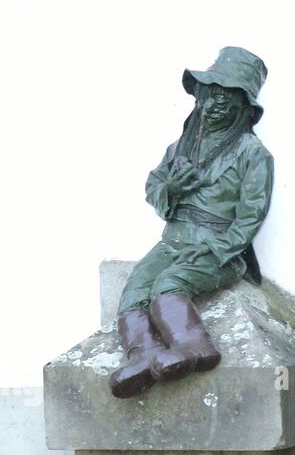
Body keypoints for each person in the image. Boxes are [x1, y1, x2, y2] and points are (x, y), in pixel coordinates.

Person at [110, 47, 274, 398]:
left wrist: (217, 251)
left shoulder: (252, 153)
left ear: (243, 107)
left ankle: (194, 346)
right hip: (172, 240)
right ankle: (145, 353)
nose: (212, 106)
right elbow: (153, 185)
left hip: (217, 247)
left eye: (224, 99)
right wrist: (171, 188)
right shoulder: (181, 148)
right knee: (137, 287)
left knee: (170, 282)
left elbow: (251, 214)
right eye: (208, 96)